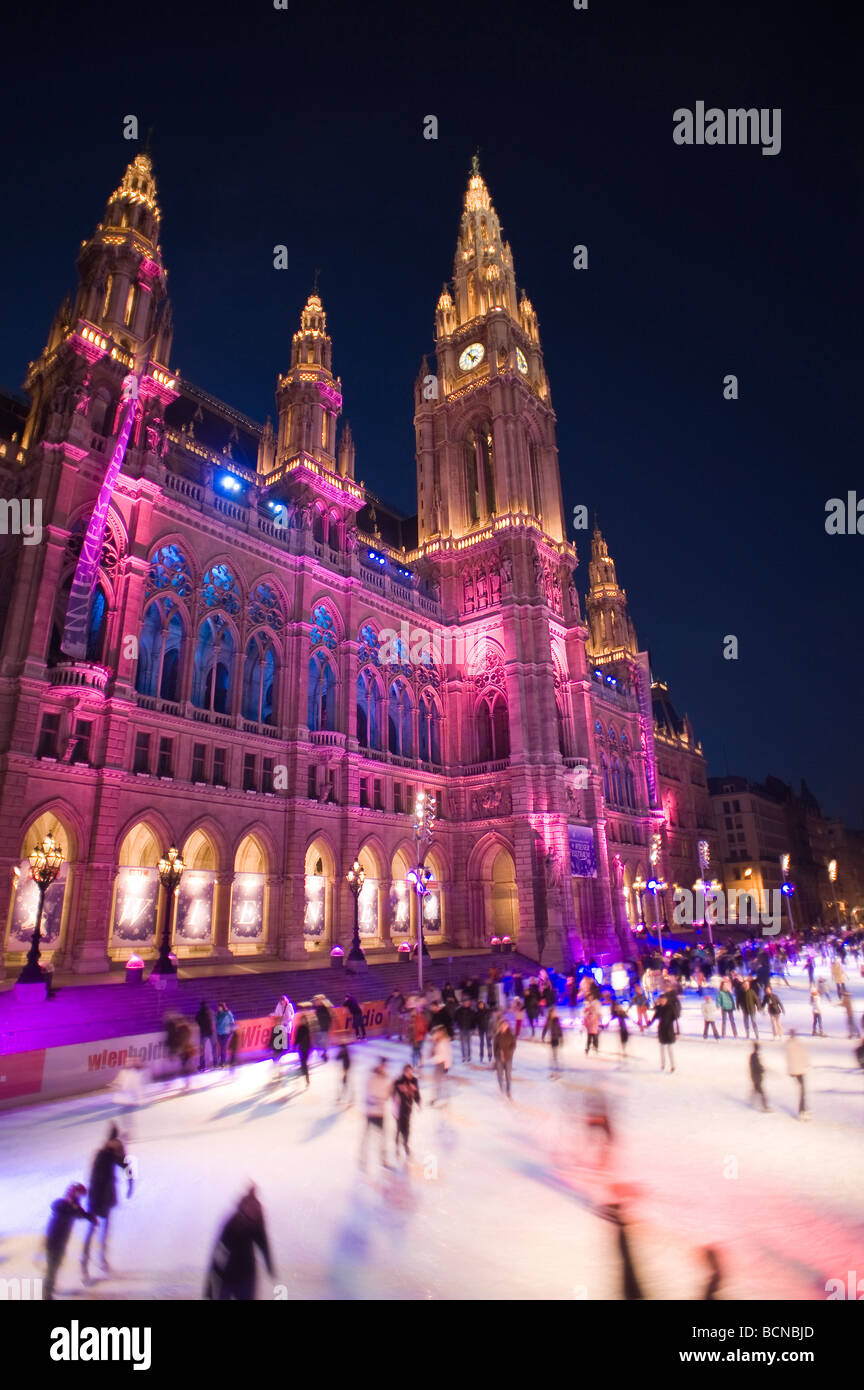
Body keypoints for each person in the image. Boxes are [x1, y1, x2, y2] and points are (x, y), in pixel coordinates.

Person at [82, 1125, 133, 1282]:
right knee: (93, 1230)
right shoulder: (104, 1156)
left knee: (103, 1229)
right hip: (98, 1198)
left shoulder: (108, 1154)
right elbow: (122, 1166)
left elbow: (126, 1166)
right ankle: (84, 1264)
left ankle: (101, 1259)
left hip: (104, 1197)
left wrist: (131, 1183)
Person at [205, 1185, 273, 1300]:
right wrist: (209, 1285)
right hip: (229, 1275)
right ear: (243, 1206)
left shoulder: (255, 1221)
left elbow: (263, 1243)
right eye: (249, 1208)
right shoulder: (232, 1222)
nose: (252, 1211)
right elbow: (217, 1251)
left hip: (246, 1276)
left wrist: (270, 1265)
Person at [44, 1183, 96, 1300]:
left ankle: (50, 1289)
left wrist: (89, 1217)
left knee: (55, 1266)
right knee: (52, 1268)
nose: (79, 1198)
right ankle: (47, 1295)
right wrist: (85, 1214)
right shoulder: (63, 1206)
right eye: (78, 1195)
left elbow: (79, 1213)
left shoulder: (72, 1205)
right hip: (54, 1241)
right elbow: (73, 1211)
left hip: (60, 1241)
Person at [360, 1058, 391, 1168]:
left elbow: (387, 1095)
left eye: (385, 1066)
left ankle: (382, 1159)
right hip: (371, 1112)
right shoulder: (372, 1078)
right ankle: (362, 1158)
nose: (384, 1068)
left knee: (381, 1137)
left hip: (380, 1112)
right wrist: (378, 1099)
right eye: (383, 1066)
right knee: (367, 1136)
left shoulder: (386, 1078)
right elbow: (369, 1093)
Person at [392, 1064, 421, 1158]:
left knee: (407, 1128)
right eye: (407, 1071)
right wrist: (400, 1089)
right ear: (404, 1072)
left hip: (408, 1108)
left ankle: (405, 1144)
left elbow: (416, 1093)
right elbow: (393, 1093)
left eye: (410, 1071)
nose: (409, 1073)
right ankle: (396, 1145)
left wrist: (418, 1102)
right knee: (399, 1128)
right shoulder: (399, 1081)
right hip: (398, 1108)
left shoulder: (414, 1080)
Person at [786, 1030, 810, 1119]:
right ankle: (802, 1110)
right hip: (800, 1070)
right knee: (802, 1091)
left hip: (793, 1071)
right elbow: (803, 1055)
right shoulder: (798, 1043)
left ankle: (803, 1109)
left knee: (801, 1090)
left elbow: (788, 1058)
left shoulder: (788, 1044)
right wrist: (807, 1064)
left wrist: (789, 1071)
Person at [652, 993, 677, 1073]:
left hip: (669, 1030)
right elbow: (654, 1017)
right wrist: (648, 1024)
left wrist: (677, 1031)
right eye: (661, 1000)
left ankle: (673, 1065)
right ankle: (663, 1064)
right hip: (662, 1030)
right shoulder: (659, 1008)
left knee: (670, 1049)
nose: (662, 1001)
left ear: (666, 1000)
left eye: (664, 1000)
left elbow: (675, 1017)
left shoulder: (670, 1008)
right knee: (662, 1049)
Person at [493, 1017, 516, 1098]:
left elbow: (513, 1046)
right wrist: (496, 1055)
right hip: (499, 1058)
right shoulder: (497, 1036)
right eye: (502, 1025)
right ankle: (501, 1087)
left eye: (505, 1025)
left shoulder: (511, 1035)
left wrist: (509, 1053)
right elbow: (495, 1047)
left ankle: (508, 1089)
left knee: (508, 1075)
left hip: (508, 1058)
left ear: (507, 1026)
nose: (503, 1027)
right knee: (499, 1074)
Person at [429, 1025, 452, 1104]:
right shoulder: (436, 1040)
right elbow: (433, 1051)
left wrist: (447, 1066)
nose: (437, 1033)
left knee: (438, 1081)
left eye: (439, 1032)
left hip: (442, 1063)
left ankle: (436, 1097)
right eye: (437, 1032)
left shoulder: (445, 1042)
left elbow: (448, 1055)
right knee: (437, 1080)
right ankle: (437, 1095)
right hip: (437, 1062)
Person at [749, 1042, 771, 1112]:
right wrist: (762, 1069)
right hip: (757, 1077)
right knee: (761, 1092)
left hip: (754, 1076)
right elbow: (757, 1067)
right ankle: (765, 1107)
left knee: (756, 1090)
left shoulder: (752, 1056)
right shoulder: (755, 1057)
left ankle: (751, 1102)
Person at [542, 1006, 563, 1076]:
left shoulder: (557, 1020)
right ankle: (554, 1068)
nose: (555, 1013)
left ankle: (555, 1068)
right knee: (553, 1054)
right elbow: (545, 1028)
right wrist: (543, 1036)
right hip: (551, 1039)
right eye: (554, 1012)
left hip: (556, 1039)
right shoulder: (548, 1021)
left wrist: (561, 1038)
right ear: (550, 1013)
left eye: (555, 1012)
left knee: (555, 1054)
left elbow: (559, 1029)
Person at [455, 996, 476, 1063]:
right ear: (463, 1002)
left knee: (469, 1043)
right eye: (465, 1001)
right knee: (463, 1044)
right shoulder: (458, 1011)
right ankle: (464, 1057)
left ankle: (469, 1056)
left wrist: (473, 1028)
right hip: (462, 1029)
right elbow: (455, 1019)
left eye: (468, 1001)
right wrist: (458, 1026)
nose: (467, 1003)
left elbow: (474, 1020)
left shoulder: (471, 1010)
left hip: (469, 1029)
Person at [215, 1001, 236, 1068]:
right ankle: (222, 1061)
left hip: (226, 1033)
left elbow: (232, 1021)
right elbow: (216, 1022)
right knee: (222, 1047)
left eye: (220, 1007)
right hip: (219, 1033)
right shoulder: (217, 1014)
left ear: (222, 1007)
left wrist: (231, 1031)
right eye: (218, 1007)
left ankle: (222, 1062)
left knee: (223, 1048)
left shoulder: (228, 1013)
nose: (219, 1008)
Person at [195, 1001, 215, 1071]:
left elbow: (196, 1021)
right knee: (214, 1048)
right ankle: (215, 1063)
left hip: (203, 1033)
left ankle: (202, 1065)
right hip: (210, 1032)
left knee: (202, 1050)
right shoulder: (210, 1012)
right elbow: (214, 1019)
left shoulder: (199, 1013)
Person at [294, 1012, 312, 1086]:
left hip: (307, 1047)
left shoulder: (308, 1027)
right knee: (303, 1061)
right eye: (302, 1020)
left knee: (304, 1061)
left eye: (304, 1020)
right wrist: (295, 1045)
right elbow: (297, 1037)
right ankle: (306, 1075)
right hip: (302, 1047)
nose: (303, 1021)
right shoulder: (299, 1028)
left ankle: (304, 1071)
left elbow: (309, 1038)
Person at [475, 999, 492, 1063]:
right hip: (481, 1029)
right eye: (480, 1005)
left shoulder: (487, 1011)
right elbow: (476, 1021)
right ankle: (481, 1056)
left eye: (482, 1004)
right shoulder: (477, 1013)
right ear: (478, 1006)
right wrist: (476, 1028)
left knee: (489, 1043)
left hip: (487, 1028)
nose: (481, 1005)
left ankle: (490, 1055)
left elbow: (490, 1019)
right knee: (481, 1043)